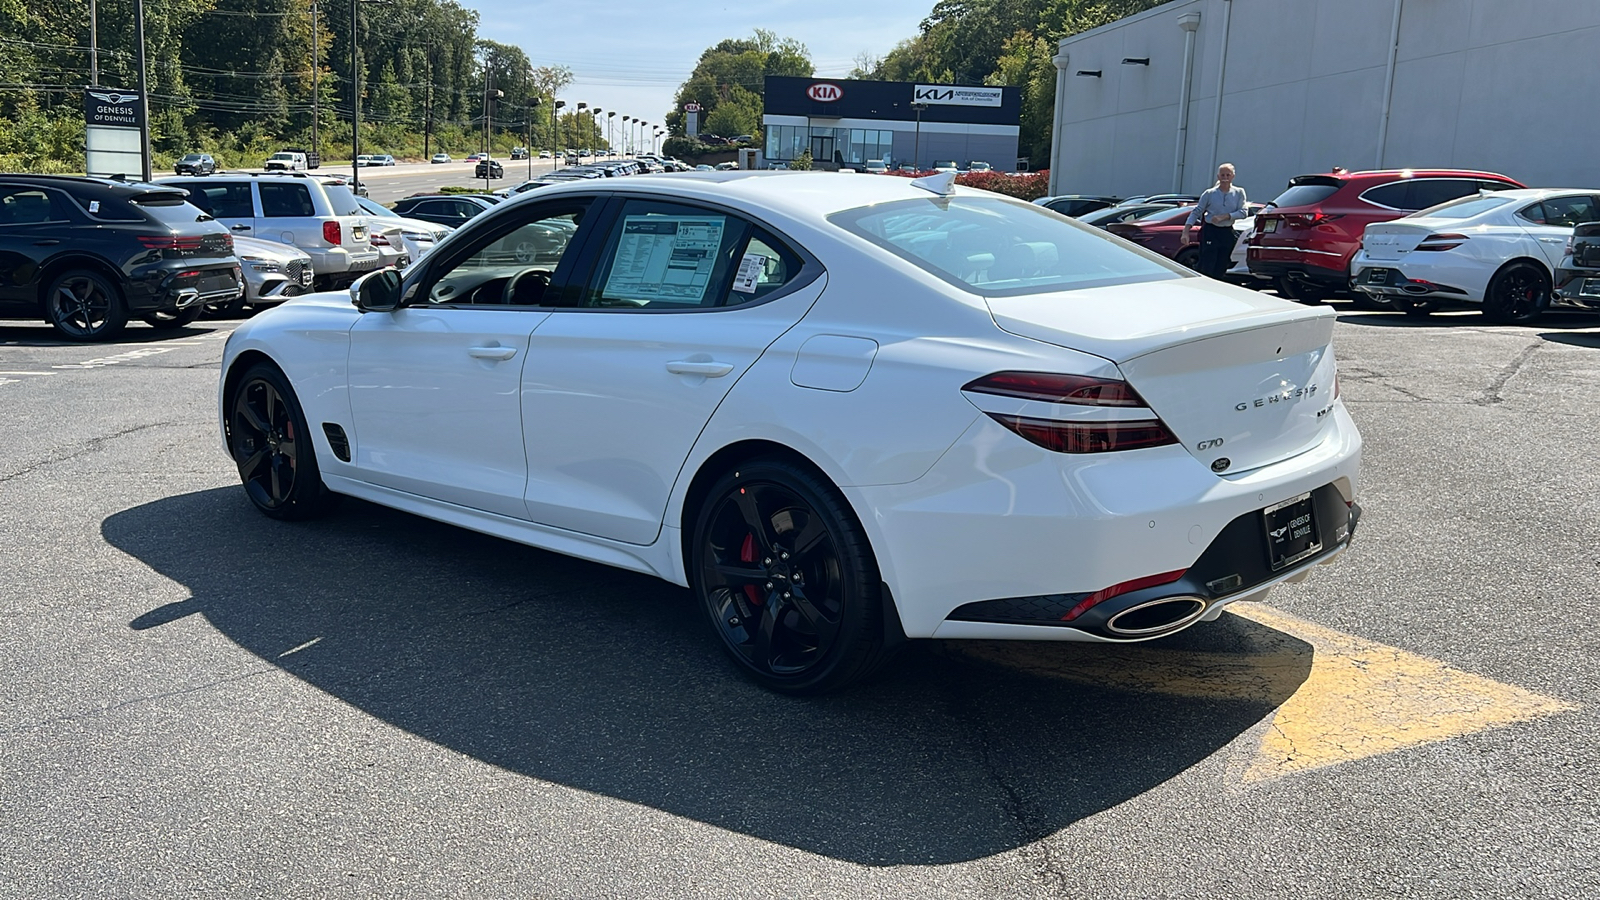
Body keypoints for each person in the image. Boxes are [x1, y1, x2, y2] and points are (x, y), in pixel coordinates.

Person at [1185, 163, 1248, 279]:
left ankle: (1217, 286)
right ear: (1218, 176)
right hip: (1211, 231)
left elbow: (1243, 212)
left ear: (1233, 176)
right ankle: (1203, 286)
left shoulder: (1239, 192)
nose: (1225, 178)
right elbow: (1196, 211)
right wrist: (1186, 231)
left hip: (1227, 231)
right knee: (1208, 262)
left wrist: (1225, 216)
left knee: (1222, 263)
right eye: (1222, 175)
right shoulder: (1209, 193)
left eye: (1228, 175)